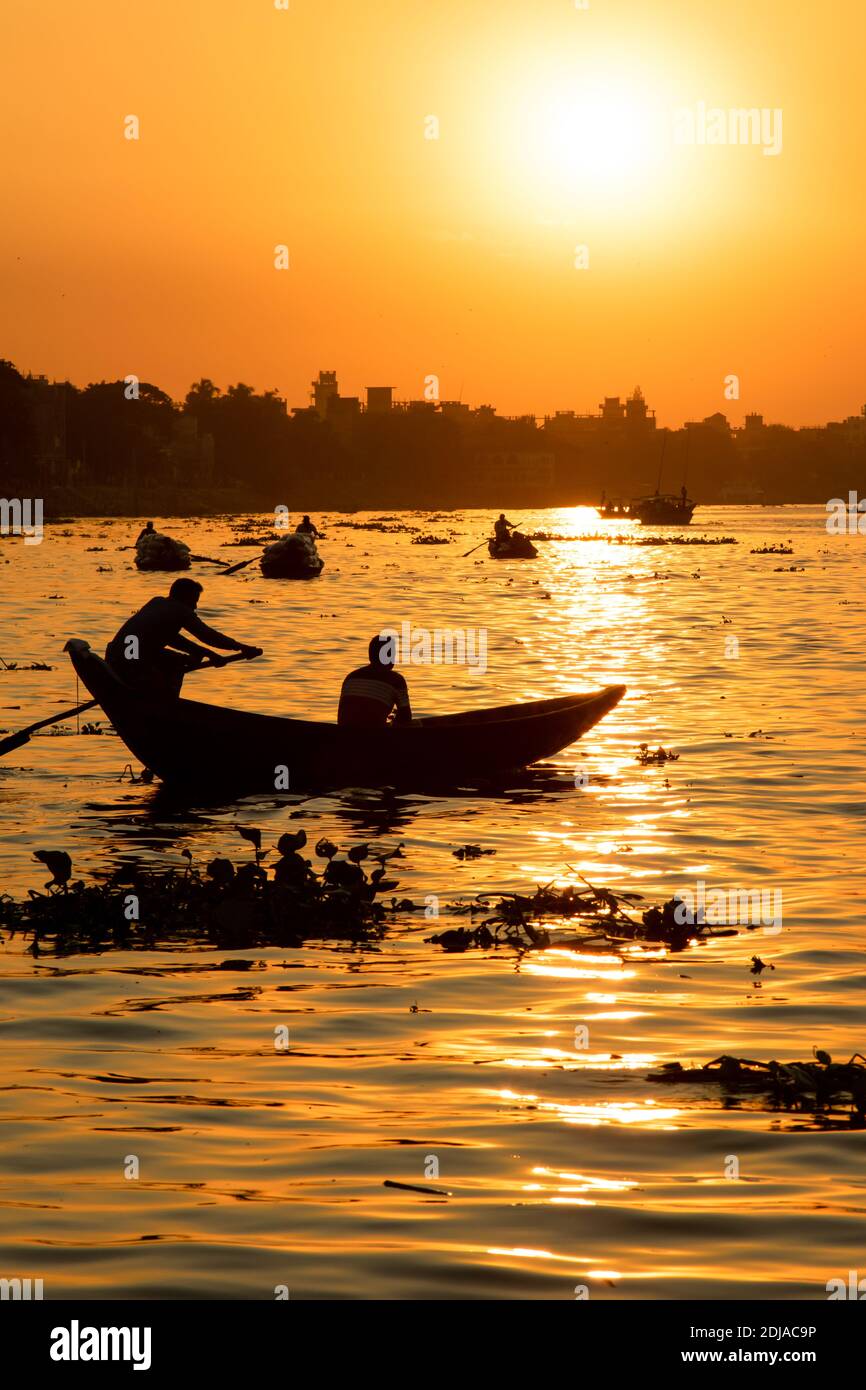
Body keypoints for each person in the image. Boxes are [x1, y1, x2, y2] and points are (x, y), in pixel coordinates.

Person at [105, 578, 262, 698]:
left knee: (180, 660)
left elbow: (171, 638)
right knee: (177, 664)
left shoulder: (157, 602)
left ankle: (162, 697)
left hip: (117, 654)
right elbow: (207, 635)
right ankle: (167, 704)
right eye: (193, 601)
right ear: (184, 597)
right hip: (130, 660)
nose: (195, 607)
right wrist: (241, 647)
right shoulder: (180, 610)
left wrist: (206, 653)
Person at [338, 634, 412, 728]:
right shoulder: (396, 680)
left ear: (370, 656)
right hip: (373, 737)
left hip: (343, 735)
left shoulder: (351, 677)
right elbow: (406, 718)